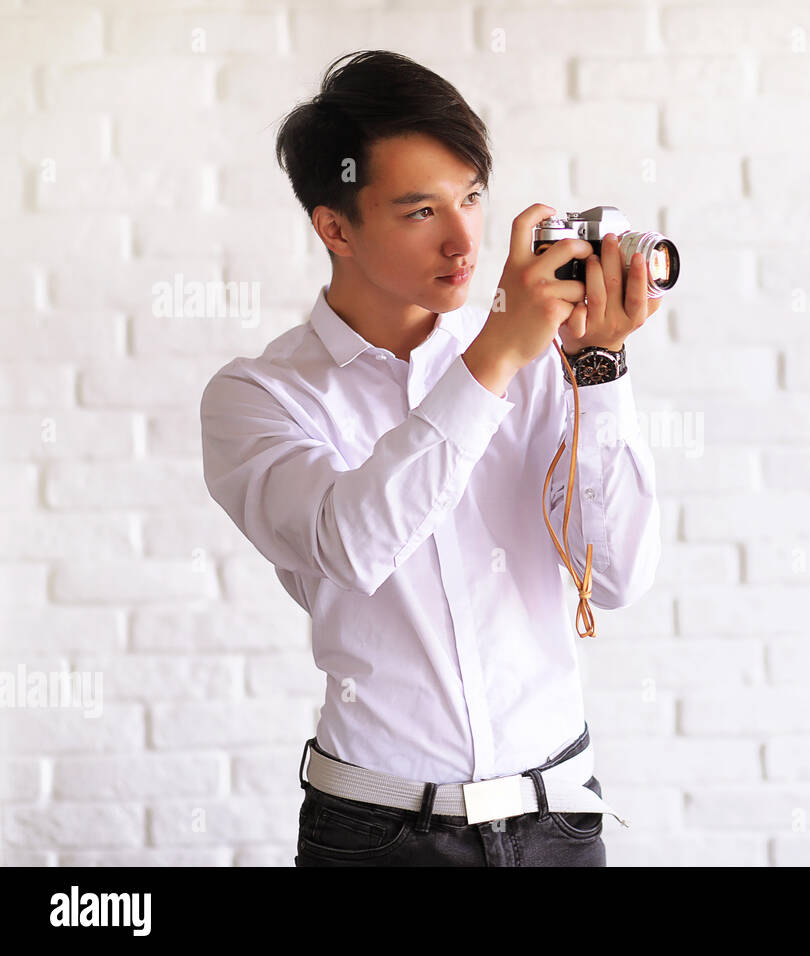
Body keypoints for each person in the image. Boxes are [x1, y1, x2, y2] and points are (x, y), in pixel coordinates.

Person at [198, 50, 662, 866]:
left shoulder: (537, 355)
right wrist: (494, 358)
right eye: (419, 211)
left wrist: (596, 368)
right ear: (334, 226)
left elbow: (617, 573)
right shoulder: (259, 398)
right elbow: (354, 542)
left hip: (560, 816)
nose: (463, 239)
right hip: (380, 837)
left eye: (474, 197)